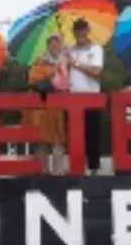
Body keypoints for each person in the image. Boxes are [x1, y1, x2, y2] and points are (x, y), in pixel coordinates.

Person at [24, 33, 69, 175]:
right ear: (47, 45)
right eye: (51, 42)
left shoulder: (68, 62)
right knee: (41, 145)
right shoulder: (39, 63)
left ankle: (59, 176)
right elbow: (33, 83)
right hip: (42, 111)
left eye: (57, 42)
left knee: (58, 145)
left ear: (61, 45)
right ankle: (42, 175)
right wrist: (51, 75)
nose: (54, 45)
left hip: (60, 110)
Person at [67, 18, 104, 175]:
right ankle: (77, 167)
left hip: (91, 96)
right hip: (73, 97)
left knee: (93, 134)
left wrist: (77, 64)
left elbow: (96, 72)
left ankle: (94, 167)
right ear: (73, 33)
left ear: (88, 31)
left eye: (83, 30)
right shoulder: (69, 51)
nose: (80, 33)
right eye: (77, 30)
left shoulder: (96, 49)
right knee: (75, 135)